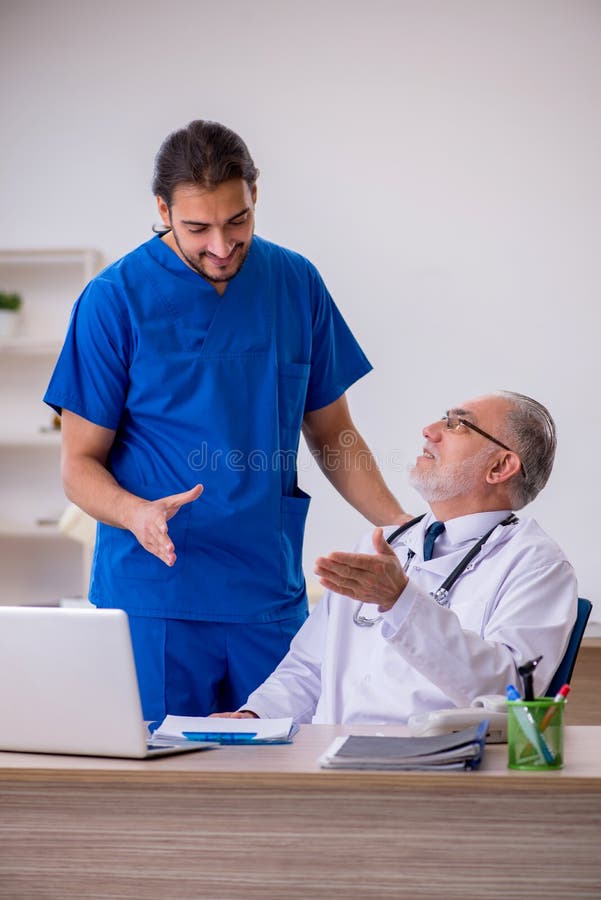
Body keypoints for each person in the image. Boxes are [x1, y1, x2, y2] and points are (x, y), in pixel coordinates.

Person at [43, 119, 407, 720]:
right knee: (158, 792)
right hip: (156, 593)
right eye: (197, 227)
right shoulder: (114, 300)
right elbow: (78, 466)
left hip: (265, 592)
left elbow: (332, 432)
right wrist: (136, 512)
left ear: (254, 195)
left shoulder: (295, 284)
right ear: (162, 209)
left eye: (236, 221)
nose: (220, 244)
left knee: (278, 785)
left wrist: (402, 527)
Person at [222, 391, 578, 724]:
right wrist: (254, 717)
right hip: (329, 765)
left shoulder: (536, 564)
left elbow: (510, 695)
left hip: (434, 768)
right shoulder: (381, 545)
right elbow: (307, 668)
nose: (430, 430)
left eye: (457, 424)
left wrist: (402, 601)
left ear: (500, 467)